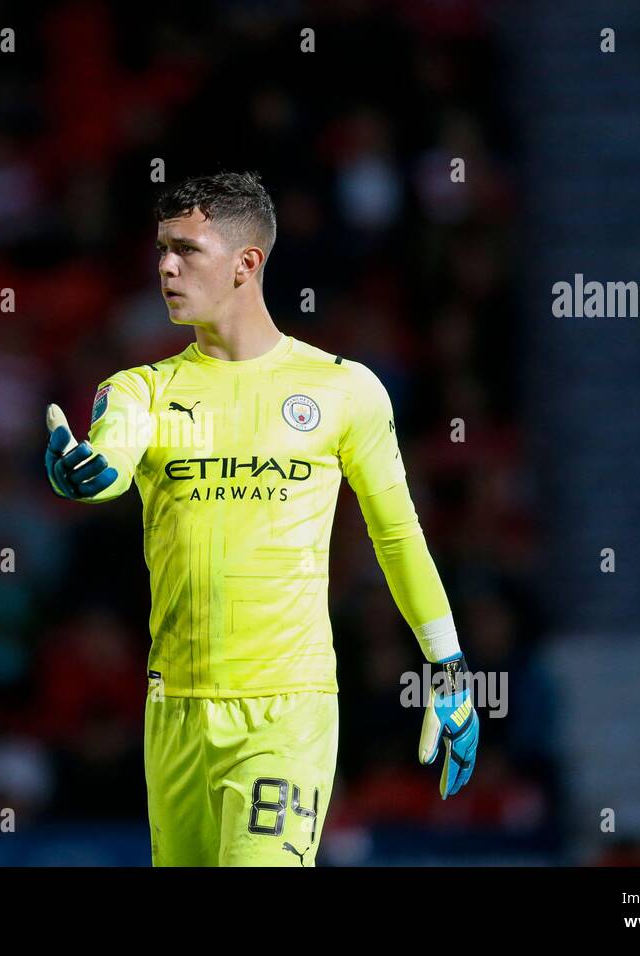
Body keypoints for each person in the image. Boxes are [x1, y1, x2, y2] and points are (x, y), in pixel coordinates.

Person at [44, 171, 478, 866]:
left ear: (247, 264)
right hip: (174, 711)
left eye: (187, 249)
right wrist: (86, 474)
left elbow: (396, 533)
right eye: (161, 248)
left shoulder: (344, 390)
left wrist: (449, 665)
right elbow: (110, 460)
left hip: (286, 707)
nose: (165, 265)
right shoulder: (140, 389)